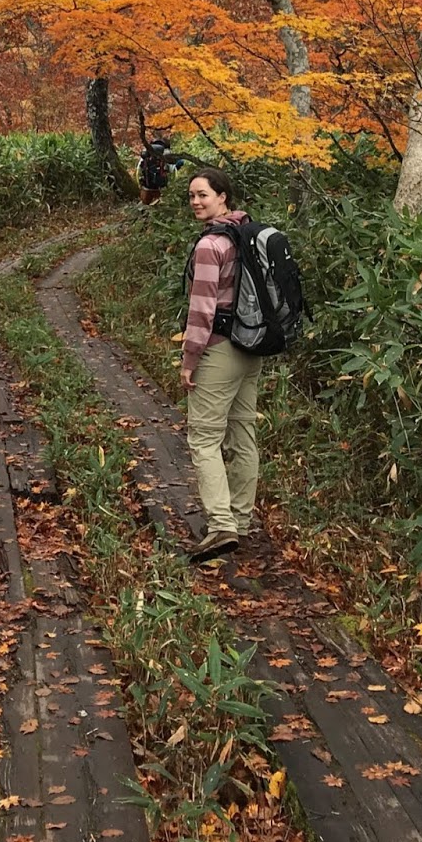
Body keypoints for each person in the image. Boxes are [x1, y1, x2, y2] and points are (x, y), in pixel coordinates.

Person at [180, 167, 260, 563]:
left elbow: (202, 309)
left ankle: (222, 526)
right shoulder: (246, 231)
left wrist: (189, 359)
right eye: (192, 195)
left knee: (204, 438)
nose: (196, 201)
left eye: (203, 194)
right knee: (243, 432)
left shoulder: (212, 244)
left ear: (223, 196)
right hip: (252, 345)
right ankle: (241, 521)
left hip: (220, 348)